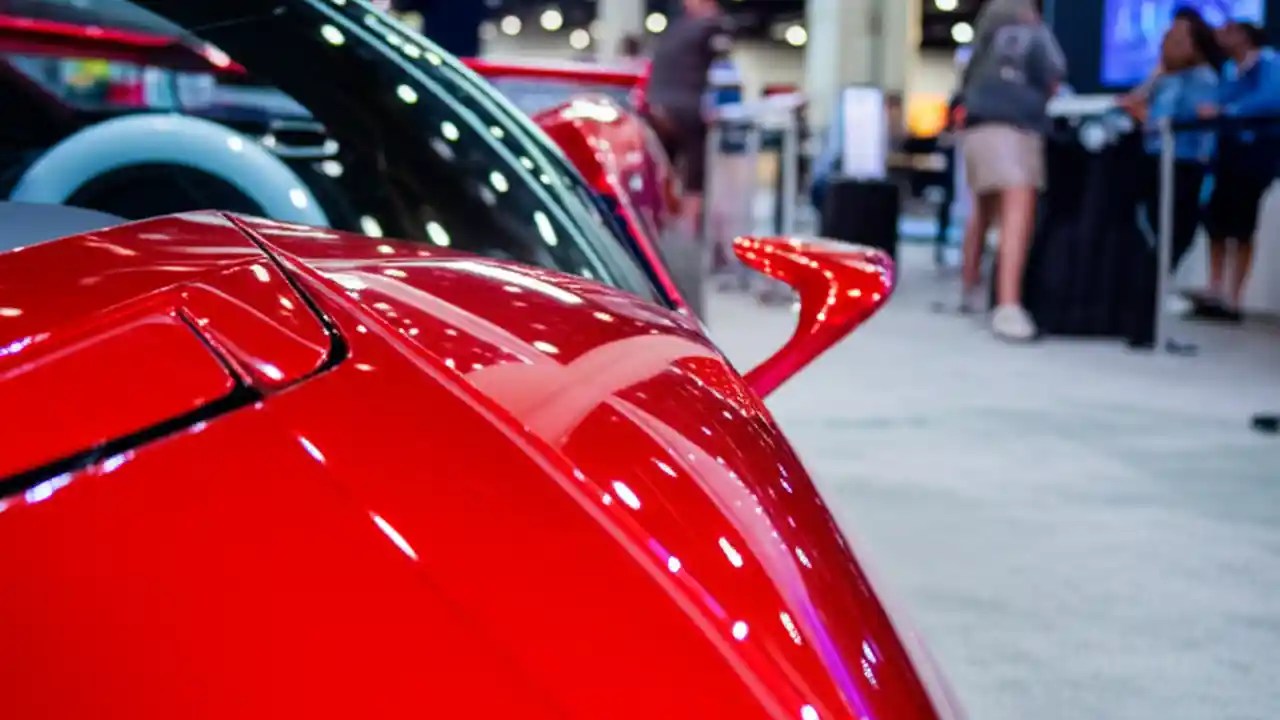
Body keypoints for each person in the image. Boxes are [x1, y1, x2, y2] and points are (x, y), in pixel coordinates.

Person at [957, 0, 1066, 341]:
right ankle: (1008, 304)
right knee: (1018, 213)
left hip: (977, 127)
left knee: (982, 211)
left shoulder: (987, 30)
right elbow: (1054, 75)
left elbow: (967, 79)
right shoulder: (1034, 31)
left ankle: (970, 287)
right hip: (1016, 128)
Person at [1118, 8, 1221, 277]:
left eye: (1176, 37)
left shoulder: (1203, 78)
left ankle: (1162, 280)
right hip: (1154, 160)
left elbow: (1170, 118)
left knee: (1174, 227)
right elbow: (1131, 102)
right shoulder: (1165, 77)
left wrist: (1143, 115)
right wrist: (1156, 75)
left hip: (1182, 163)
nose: (1167, 42)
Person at [1195, 21, 1280, 321]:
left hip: (1256, 156)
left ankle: (1235, 297)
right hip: (1227, 157)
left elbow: (1272, 99)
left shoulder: (1269, 64)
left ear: (1244, 35)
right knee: (1216, 222)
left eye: (1227, 32)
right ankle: (1215, 288)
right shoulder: (1230, 71)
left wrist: (1229, 112)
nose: (1220, 38)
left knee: (1243, 225)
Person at [645, 0, 732, 239]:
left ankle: (659, 231)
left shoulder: (675, 29)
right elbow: (723, 70)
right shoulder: (712, 27)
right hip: (687, 108)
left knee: (665, 173)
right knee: (695, 180)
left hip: (657, 107)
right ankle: (688, 239)